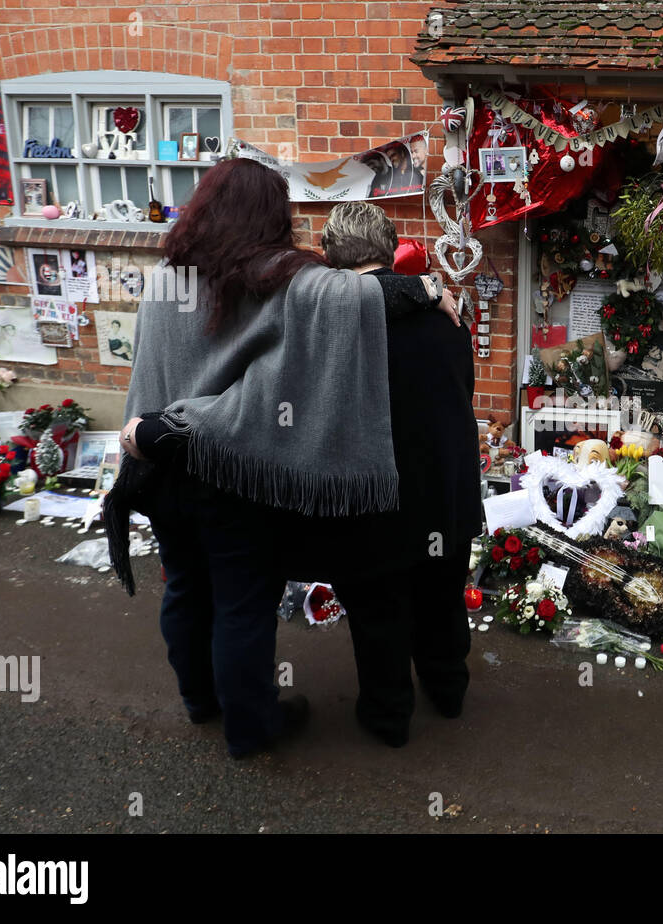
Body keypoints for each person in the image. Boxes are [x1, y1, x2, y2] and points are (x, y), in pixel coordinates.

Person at [106, 158, 459, 759]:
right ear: (271, 214)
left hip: (158, 465)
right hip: (230, 470)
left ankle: (200, 702)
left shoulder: (166, 279)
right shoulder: (276, 275)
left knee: (187, 587)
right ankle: (250, 729)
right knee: (242, 601)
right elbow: (356, 294)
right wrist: (427, 286)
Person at [316, 201, 482, 747]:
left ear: (333, 258)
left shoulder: (333, 324)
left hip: (375, 496)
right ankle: (449, 691)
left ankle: (389, 718)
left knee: (379, 612)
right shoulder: (447, 318)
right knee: (441, 598)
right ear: (390, 252)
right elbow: (464, 391)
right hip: (443, 488)